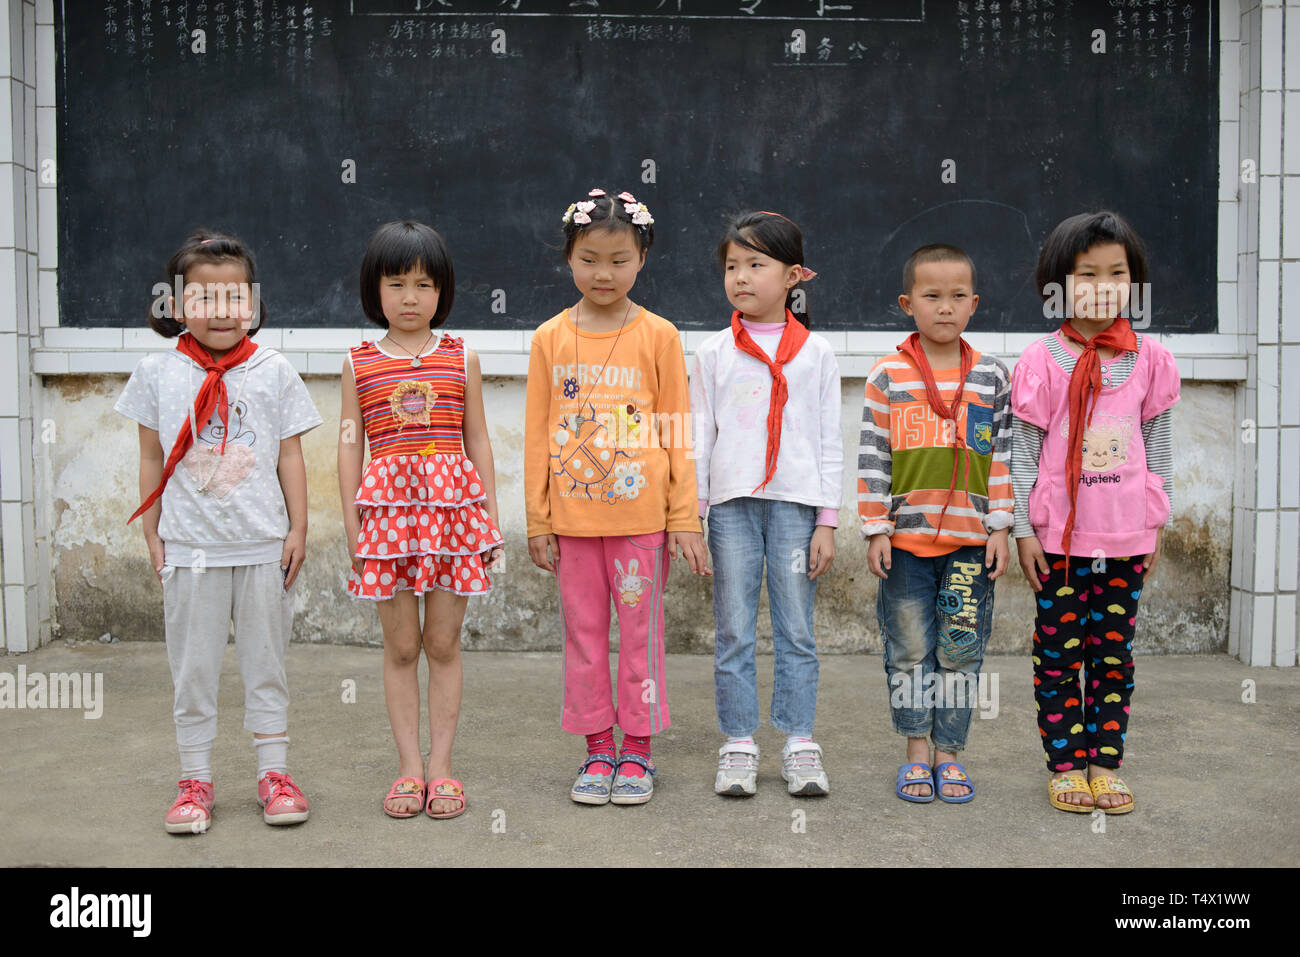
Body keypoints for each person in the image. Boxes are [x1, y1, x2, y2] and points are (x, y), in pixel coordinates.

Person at [117, 230, 322, 833]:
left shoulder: (273, 370)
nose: (221, 311)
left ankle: (275, 773)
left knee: (266, 664)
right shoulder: (157, 373)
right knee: (194, 668)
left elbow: (289, 456)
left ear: (252, 303)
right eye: (203, 298)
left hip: (262, 547)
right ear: (177, 305)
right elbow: (151, 460)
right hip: (190, 550)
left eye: (235, 297)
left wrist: (298, 529)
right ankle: (195, 780)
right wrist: (153, 535)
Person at [524, 188, 709, 806]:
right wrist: (538, 519)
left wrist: (684, 518)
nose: (603, 273)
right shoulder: (550, 338)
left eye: (619, 259)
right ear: (569, 258)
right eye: (589, 258)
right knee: (581, 634)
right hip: (573, 524)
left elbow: (678, 431)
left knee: (640, 636)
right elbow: (535, 433)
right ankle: (597, 747)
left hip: (640, 521)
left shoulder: (659, 336)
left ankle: (637, 749)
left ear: (642, 258)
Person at [1012, 211, 1178, 815]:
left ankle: (1105, 765)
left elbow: (1157, 446)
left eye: (1118, 273)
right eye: (1087, 275)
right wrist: (1025, 530)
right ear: (1057, 281)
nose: (1103, 287)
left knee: (1113, 654)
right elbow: (1024, 451)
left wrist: (1153, 521)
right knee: (1058, 656)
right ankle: (1063, 766)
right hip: (1058, 542)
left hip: (1124, 538)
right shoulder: (1040, 362)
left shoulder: (1151, 361)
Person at [338, 220, 503, 820]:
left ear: (443, 290)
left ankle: (442, 768)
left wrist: (487, 515)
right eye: (397, 284)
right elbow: (349, 447)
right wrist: (356, 530)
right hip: (387, 517)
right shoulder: (358, 363)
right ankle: (408, 768)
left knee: (442, 641)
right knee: (403, 646)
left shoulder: (463, 357)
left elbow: (478, 438)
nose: (411, 298)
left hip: (453, 513)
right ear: (374, 290)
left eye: (424, 285)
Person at [691, 211, 842, 797]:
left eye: (757, 264)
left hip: (796, 508)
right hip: (731, 507)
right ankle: (738, 743)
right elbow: (700, 436)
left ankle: (800, 741)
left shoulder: (817, 354)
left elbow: (831, 439)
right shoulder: (713, 353)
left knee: (796, 628)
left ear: (794, 276)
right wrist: (694, 514)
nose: (741, 277)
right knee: (732, 629)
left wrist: (827, 521)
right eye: (733, 266)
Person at [859, 244, 1013, 804]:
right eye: (931, 296)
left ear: (974, 304)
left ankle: (950, 753)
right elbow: (873, 456)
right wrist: (875, 528)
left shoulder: (993, 377)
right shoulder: (889, 375)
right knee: (908, 650)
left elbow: (1003, 456)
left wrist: (1000, 526)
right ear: (907, 303)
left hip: (971, 544)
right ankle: (916, 751)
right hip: (905, 543)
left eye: (956, 297)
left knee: (961, 651)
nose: (944, 308)